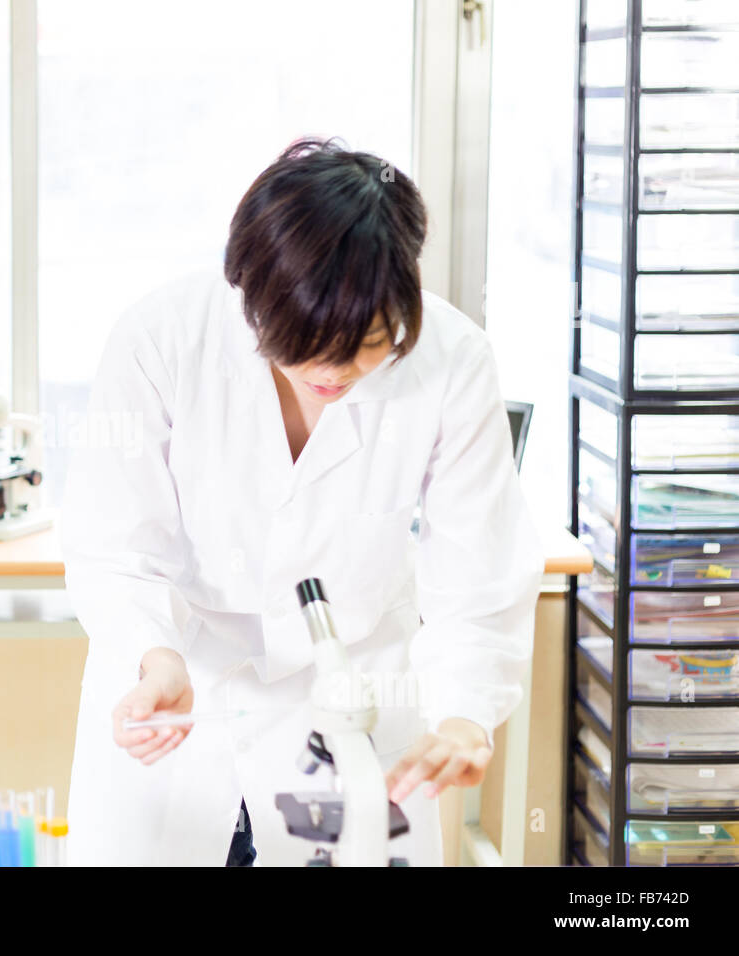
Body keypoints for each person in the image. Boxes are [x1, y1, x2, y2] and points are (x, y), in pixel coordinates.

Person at [61, 138, 545, 866]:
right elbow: (115, 548)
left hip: (354, 696)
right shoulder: (161, 339)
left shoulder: (452, 360)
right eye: (303, 344)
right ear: (248, 295)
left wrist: (464, 716)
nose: (333, 370)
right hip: (181, 685)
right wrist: (152, 656)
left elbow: (478, 577)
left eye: (367, 344)